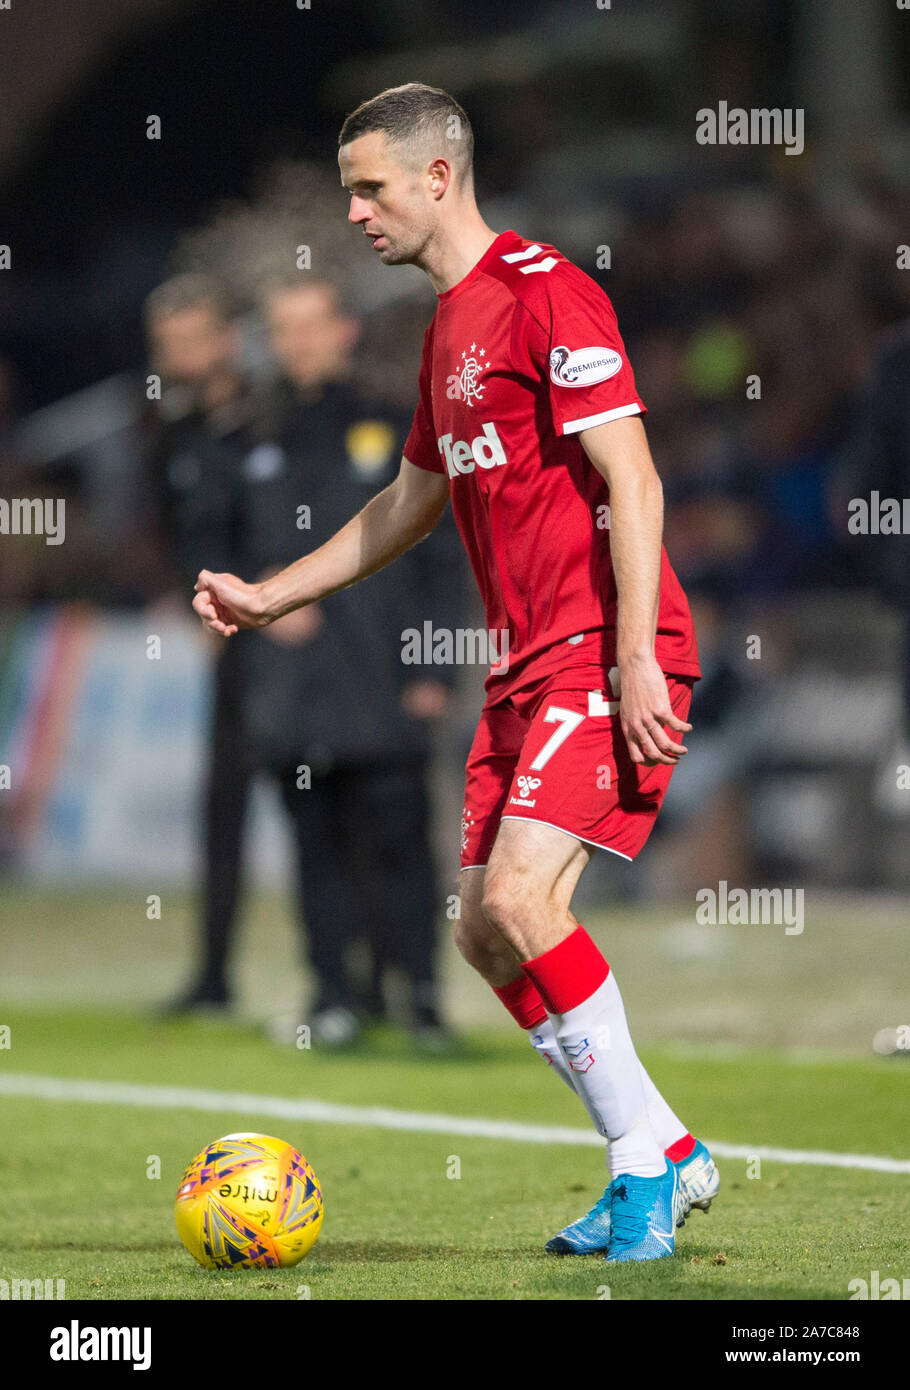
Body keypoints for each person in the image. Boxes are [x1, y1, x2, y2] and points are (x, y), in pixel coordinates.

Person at [191, 83, 719, 1263]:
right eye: (346, 190)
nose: (356, 212)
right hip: (522, 665)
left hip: (603, 644)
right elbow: (407, 503)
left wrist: (635, 653)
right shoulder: (444, 330)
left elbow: (633, 480)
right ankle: (670, 1148)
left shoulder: (548, 294)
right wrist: (271, 591)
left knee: (528, 899)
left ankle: (640, 1175)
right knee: (481, 927)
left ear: (438, 177)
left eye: (370, 187)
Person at [147, 271, 458, 1043]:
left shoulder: (397, 427)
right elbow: (206, 538)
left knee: (396, 833)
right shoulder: (251, 438)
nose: (299, 342)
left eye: (312, 325)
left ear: (345, 330)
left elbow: (442, 555)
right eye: (284, 328)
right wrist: (250, 600)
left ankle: (416, 993)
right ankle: (334, 995)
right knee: (312, 836)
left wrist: (432, 667)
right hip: (291, 683)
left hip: (383, 668)